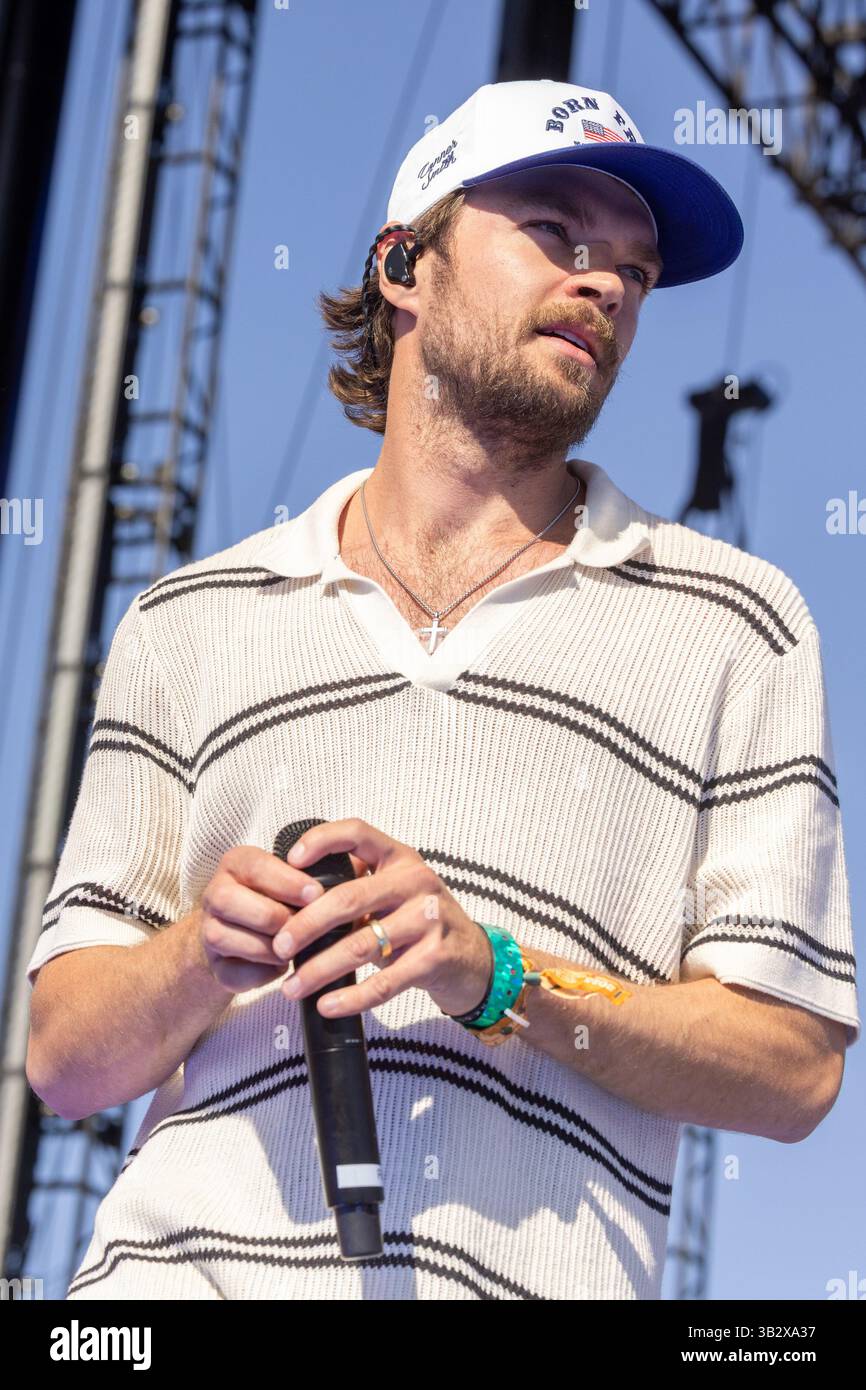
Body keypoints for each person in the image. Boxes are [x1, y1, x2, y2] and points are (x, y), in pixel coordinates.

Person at [25, 79, 859, 1301]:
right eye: (557, 235)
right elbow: (65, 1057)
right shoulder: (186, 618)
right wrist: (202, 948)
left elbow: (790, 1069)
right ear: (402, 264)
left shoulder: (736, 623)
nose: (607, 285)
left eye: (632, 267)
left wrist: (497, 975)